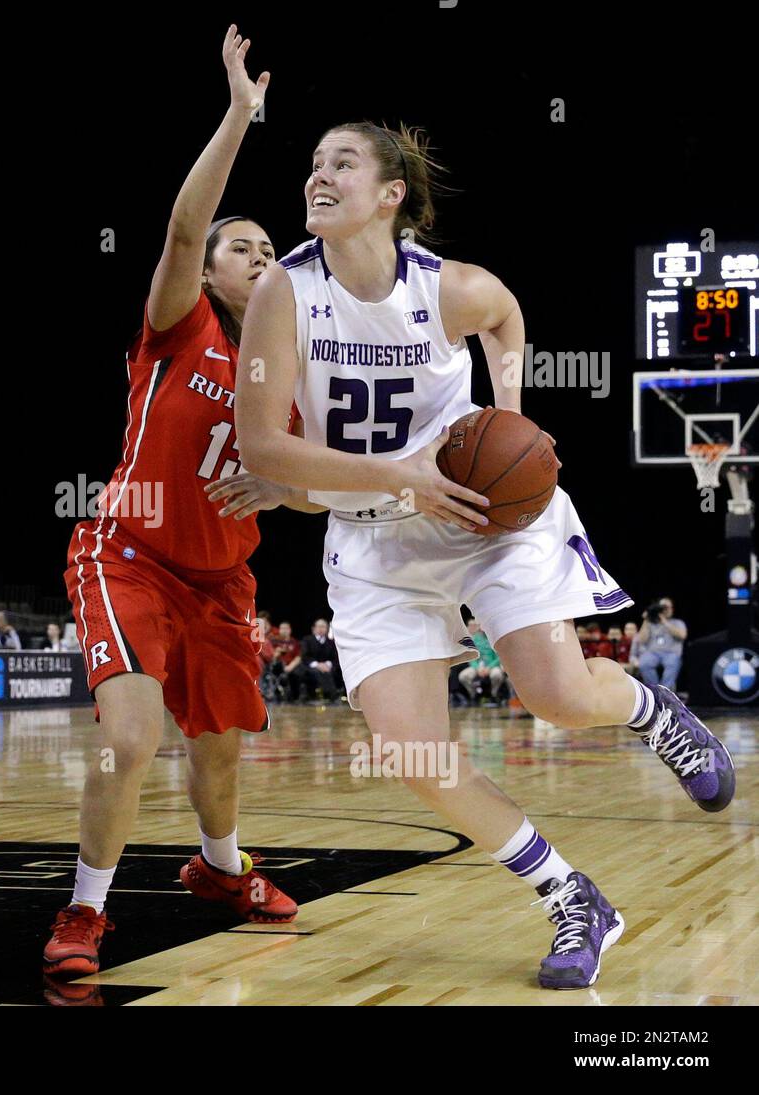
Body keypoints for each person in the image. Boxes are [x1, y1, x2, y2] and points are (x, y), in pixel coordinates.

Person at [236, 118, 734, 989]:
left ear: (391, 196)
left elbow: (505, 314)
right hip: (375, 531)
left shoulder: (444, 288)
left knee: (557, 693)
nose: (318, 176)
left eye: (341, 163)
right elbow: (264, 453)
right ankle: (571, 893)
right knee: (412, 752)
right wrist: (398, 477)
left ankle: (654, 713)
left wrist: (508, 410)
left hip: (479, 512)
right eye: (313, 164)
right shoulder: (285, 292)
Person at [45, 27, 315, 980]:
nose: (258, 255)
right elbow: (186, 228)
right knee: (131, 736)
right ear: (212, 274)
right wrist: (242, 113)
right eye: (244, 247)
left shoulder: (287, 373)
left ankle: (219, 866)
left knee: (222, 753)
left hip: (221, 578)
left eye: (269, 248)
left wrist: (286, 486)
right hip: (127, 554)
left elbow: (314, 495)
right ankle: (84, 913)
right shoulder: (180, 320)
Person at [636, 597, 687, 692]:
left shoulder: (677, 622)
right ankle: (655, 690)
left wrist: (664, 621)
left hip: (671, 653)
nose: (665, 610)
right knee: (644, 662)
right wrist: (646, 620)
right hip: (652, 653)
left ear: (672, 609)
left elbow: (682, 635)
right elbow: (641, 640)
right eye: (663, 607)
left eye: (667, 607)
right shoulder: (650, 624)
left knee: (673, 662)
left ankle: (665, 692)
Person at [457, 617, 506, 705]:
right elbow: (471, 655)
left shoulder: (494, 638)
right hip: (478, 667)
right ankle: (474, 695)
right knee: (463, 676)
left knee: (496, 674)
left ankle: (493, 695)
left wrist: (489, 667)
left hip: (492, 665)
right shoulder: (474, 639)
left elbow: (499, 657)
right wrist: (477, 668)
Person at [297, 617, 343, 701]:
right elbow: (305, 656)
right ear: (314, 628)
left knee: (333, 671)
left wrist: (327, 664)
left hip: (328, 667)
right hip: (310, 666)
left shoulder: (331, 642)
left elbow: (335, 658)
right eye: (319, 626)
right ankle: (330, 694)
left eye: (323, 626)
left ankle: (332, 695)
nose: (321, 629)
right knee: (315, 672)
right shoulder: (307, 640)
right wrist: (318, 665)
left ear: (327, 628)